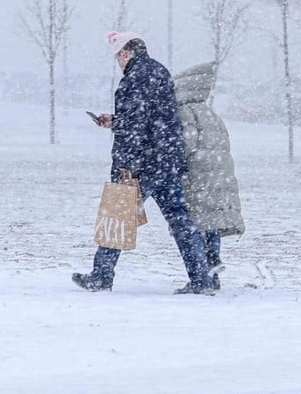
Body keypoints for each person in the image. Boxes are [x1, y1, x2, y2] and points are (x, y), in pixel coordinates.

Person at [72, 31, 217, 295]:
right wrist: (115, 121)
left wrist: (125, 165)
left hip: (143, 163)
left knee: (117, 214)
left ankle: (101, 276)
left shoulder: (134, 79)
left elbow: (137, 125)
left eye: (117, 56)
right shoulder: (159, 71)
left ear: (125, 53)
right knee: (181, 221)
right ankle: (202, 279)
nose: (118, 61)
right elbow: (150, 119)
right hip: (167, 161)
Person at [173, 61, 245, 290]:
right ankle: (213, 272)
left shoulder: (186, 112)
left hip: (198, 177)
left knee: (194, 225)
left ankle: (205, 270)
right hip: (217, 178)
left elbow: (187, 142)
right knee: (210, 224)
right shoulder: (211, 113)